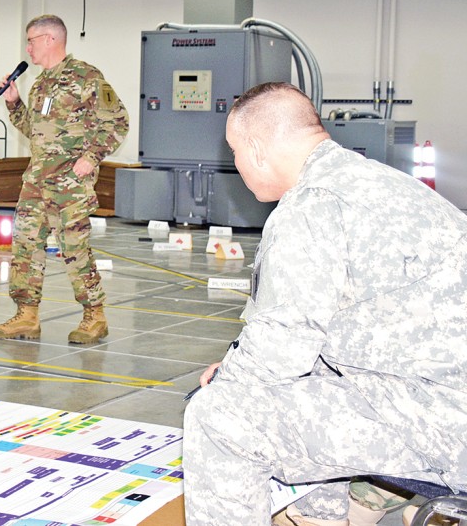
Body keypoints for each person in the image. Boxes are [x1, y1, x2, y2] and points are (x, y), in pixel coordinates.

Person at [183, 82, 467, 526]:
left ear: (257, 150)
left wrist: (229, 380)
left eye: (235, 151)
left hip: (440, 425)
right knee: (312, 381)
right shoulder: (378, 181)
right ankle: (320, 517)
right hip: (439, 397)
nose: (236, 164)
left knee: (218, 417)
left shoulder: (310, 205)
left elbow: (281, 348)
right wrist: (239, 364)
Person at [0, 14, 128, 344]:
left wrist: (90, 158)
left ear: (50, 39)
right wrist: (14, 102)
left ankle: (95, 316)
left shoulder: (86, 77)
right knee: (25, 248)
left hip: (69, 187)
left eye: (31, 41)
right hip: (36, 183)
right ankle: (26, 315)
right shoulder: (40, 84)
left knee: (74, 251)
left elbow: (118, 123)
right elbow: (33, 131)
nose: (27, 48)